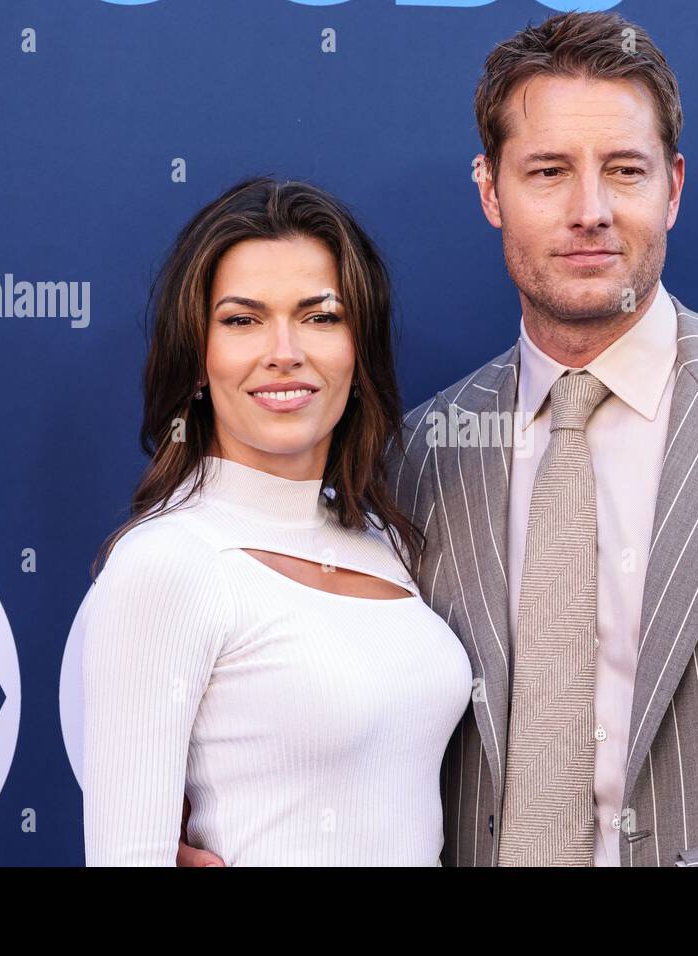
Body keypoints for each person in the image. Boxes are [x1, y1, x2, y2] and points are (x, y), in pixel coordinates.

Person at [180, 10, 698, 868]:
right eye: (548, 171)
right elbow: (329, 712)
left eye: (625, 170)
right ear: (491, 191)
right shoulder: (416, 455)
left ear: (673, 188)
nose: (591, 211)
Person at [79, 176, 472, 865]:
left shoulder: (388, 545)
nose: (283, 350)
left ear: (359, 348)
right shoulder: (168, 563)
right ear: (198, 359)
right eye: (241, 320)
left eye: (320, 316)